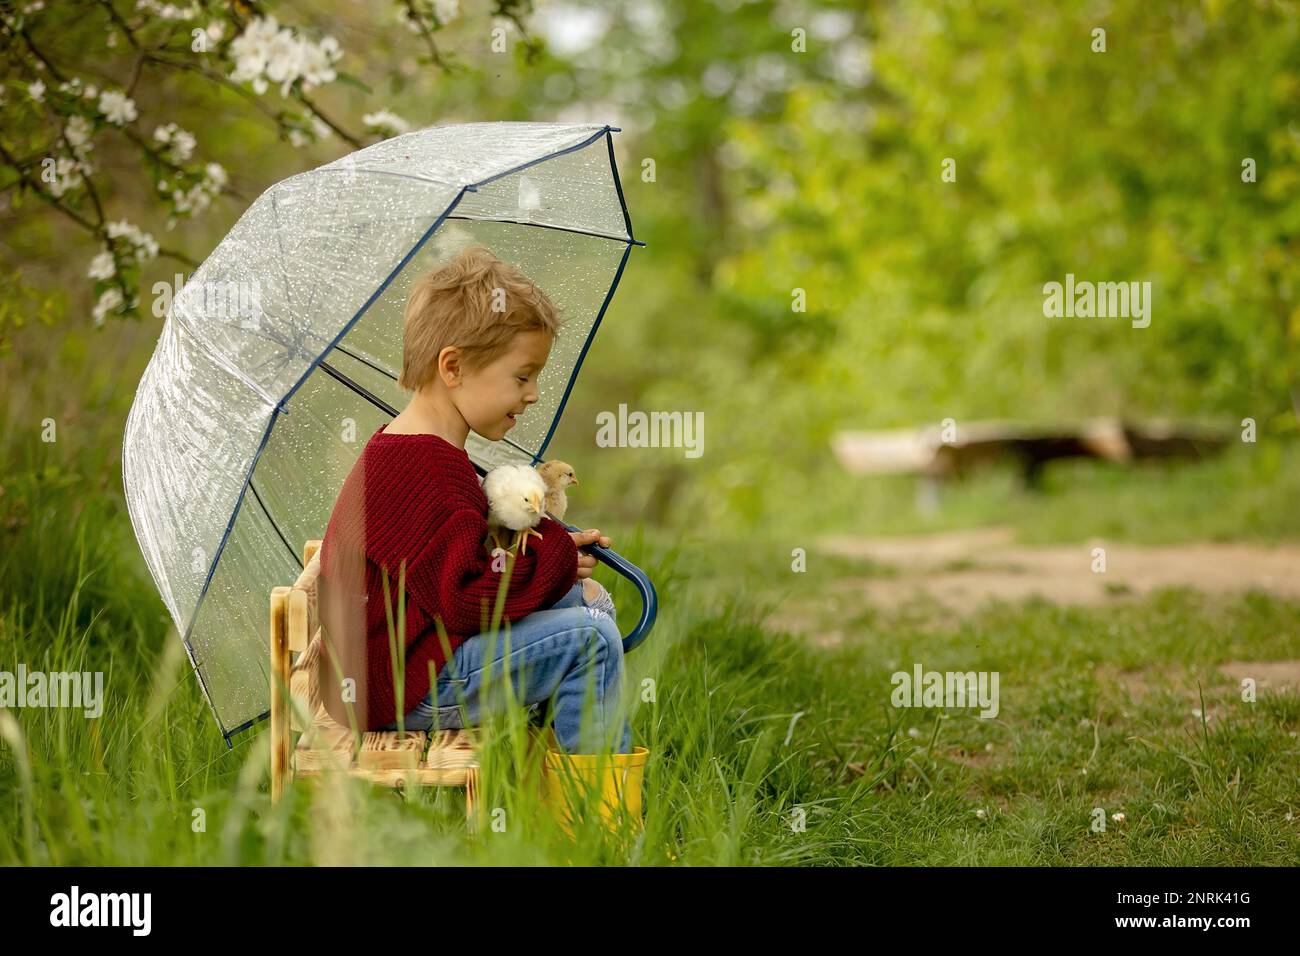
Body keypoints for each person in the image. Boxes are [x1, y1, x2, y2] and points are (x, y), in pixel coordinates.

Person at [316, 243, 632, 754]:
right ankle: (596, 815)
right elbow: (465, 598)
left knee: (590, 606)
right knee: (590, 640)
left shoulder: (428, 453)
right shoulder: (416, 468)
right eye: (522, 376)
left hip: (421, 658)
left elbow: (471, 555)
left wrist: (552, 542)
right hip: (403, 685)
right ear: (454, 367)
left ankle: (554, 775)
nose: (532, 394)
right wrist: (553, 557)